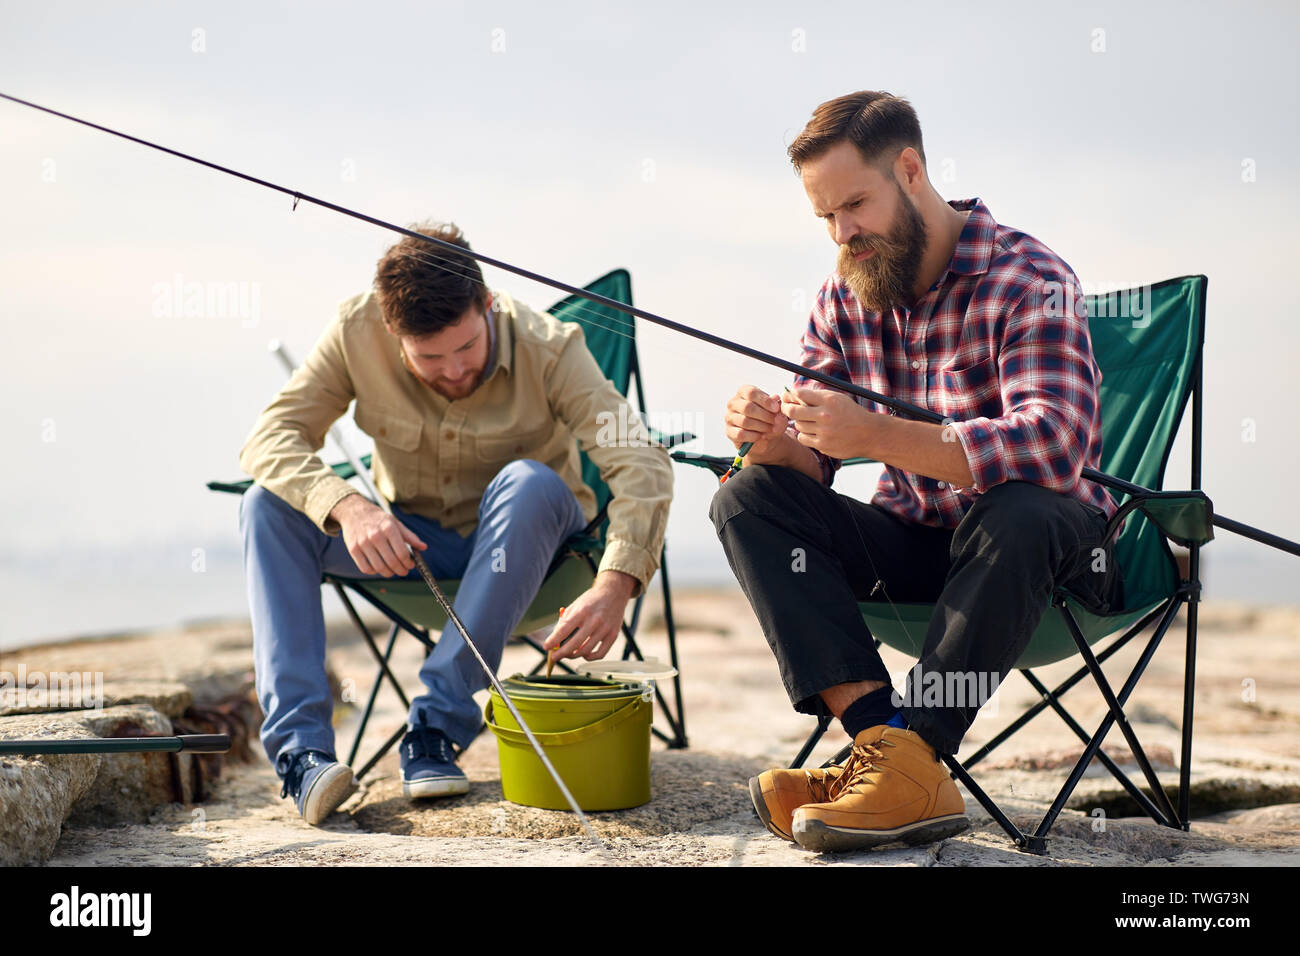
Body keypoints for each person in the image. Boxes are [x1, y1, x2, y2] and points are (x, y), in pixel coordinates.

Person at [712, 91, 1124, 853]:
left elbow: (1056, 446)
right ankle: (886, 749)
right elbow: (820, 458)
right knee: (748, 496)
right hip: (919, 545)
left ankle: (912, 752)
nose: (843, 233)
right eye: (825, 218)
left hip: (1050, 557)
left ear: (910, 170)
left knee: (1019, 507)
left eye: (855, 205)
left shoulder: (1029, 275)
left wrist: (879, 432)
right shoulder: (845, 290)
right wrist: (773, 442)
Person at [238, 222, 673, 825]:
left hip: (535, 550)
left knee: (527, 481)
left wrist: (615, 582)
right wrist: (349, 506)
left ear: (487, 305)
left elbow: (643, 462)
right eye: (428, 358)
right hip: (412, 548)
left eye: (466, 347)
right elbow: (270, 437)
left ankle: (436, 729)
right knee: (266, 505)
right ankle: (304, 754)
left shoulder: (551, 344)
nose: (453, 370)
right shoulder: (355, 329)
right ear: (394, 334)